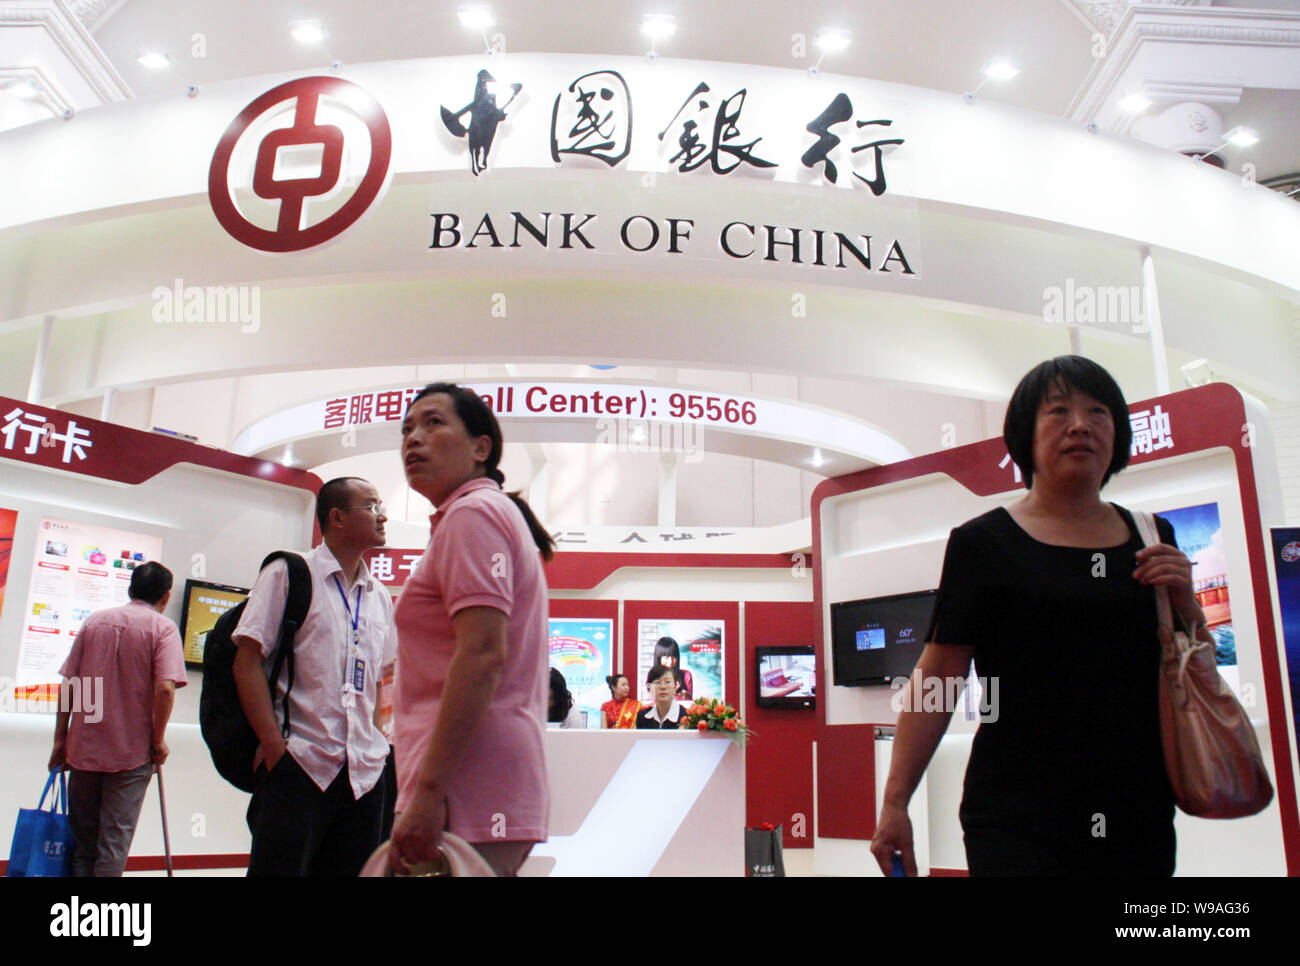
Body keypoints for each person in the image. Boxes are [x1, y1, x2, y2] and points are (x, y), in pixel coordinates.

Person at [870, 356, 1201, 877]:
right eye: (1058, 411)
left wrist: (1187, 601)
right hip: (1016, 813)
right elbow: (939, 674)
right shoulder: (983, 543)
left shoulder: (1152, 535)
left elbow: (1185, 655)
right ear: (1025, 433)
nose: (1080, 425)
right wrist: (895, 803)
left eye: (1098, 411)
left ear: (1117, 433)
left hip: (1136, 807)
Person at [390, 383, 554, 877]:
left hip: (467, 782)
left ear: (481, 447)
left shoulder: (473, 513)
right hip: (482, 779)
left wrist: (429, 790)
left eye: (434, 422)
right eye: (407, 428)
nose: (413, 438)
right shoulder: (479, 513)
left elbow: (482, 654)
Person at [232, 476, 396, 876]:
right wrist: (274, 747)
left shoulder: (379, 595)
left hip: (364, 774)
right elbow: (247, 662)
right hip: (300, 765)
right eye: (372, 507)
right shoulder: (289, 573)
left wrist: (380, 741)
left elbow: (379, 681)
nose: (383, 516)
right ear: (337, 517)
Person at [48, 561, 187, 876]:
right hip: (131, 754)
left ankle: (78, 920)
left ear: (130, 589)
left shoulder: (95, 622)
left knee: (83, 843)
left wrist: (60, 739)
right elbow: (165, 689)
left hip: (82, 750)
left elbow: (69, 684)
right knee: (113, 845)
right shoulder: (163, 629)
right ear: (166, 597)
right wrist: (158, 741)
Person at [636, 664, 685, 729]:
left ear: (675, 687)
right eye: (657, 682)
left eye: (667, 682)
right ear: (649, 688)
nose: (663, 687)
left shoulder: (686, 717)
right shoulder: (642, 717)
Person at [653, 636, 693, 700]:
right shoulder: (652, 677)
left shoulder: (686, 675)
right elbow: (648, 704)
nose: (670, 662)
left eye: (673, 657)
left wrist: (687, 697)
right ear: (659, 658)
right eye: (666, 658)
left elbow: (690, 705)